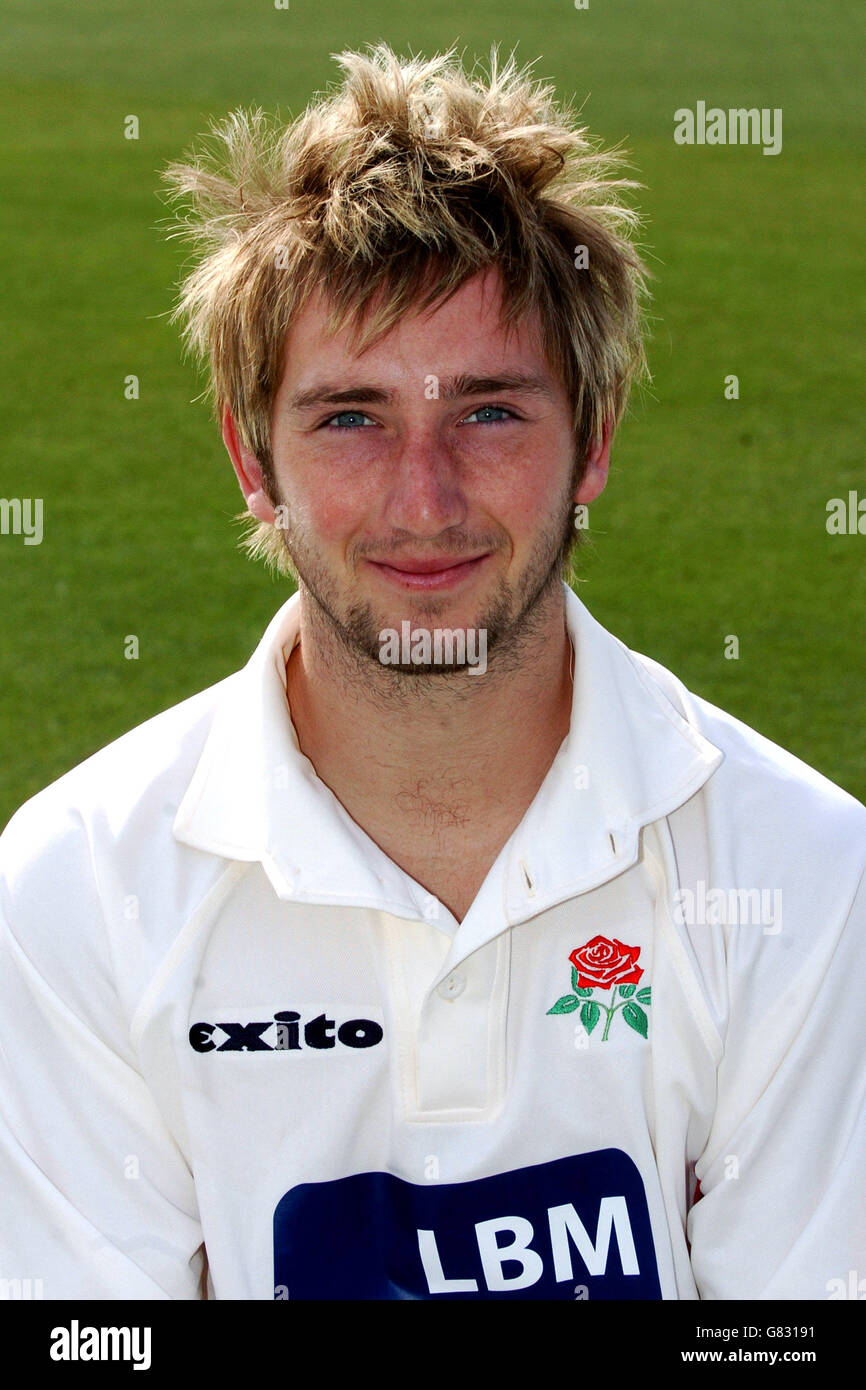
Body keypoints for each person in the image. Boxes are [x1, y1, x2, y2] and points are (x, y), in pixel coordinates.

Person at [0, 42, 863, 1302]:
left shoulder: (801, 871)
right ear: (253, 461)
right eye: (350, 416)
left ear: (595, 439)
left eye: (490, 410)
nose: (425, 497)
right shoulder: (75, 887)